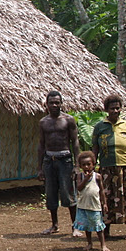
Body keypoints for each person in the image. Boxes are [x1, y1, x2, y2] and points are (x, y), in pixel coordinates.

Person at [91, 94, 126, 241]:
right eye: (112, 108)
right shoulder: (100, 127)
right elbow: (95, 150)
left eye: (118, 108)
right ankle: (106, 230)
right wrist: (91, 169)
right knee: (107, 198)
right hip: (106, 168)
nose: (115, 111)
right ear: (106, 109)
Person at [37, 91, 80, 235]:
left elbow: (75, 142)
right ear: (46, 104)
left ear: (61, 104)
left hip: (65, 160)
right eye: (52, 103)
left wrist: (77, 165)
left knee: (68, 194)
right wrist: (40, 168)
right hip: (49, 160)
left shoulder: (68, 120)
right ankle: (54, 225)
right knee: (50, 194)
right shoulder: (43, 122)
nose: (55, 105)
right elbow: (41, 145)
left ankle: (75, 226)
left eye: (57, 102)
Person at [73, 151, 110, 251]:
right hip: (83, 206)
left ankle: (103, 245)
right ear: (80, 166)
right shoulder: (80, 176)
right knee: (86, 226)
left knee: (98, 226)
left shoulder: (97, 176)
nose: (86, 167)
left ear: (93, 164)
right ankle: (89, 243)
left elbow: (102, 191)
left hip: (94, 206)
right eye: (83, 165)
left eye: (88, 164)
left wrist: (104, 203)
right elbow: (79, 188)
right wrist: (85, 179)